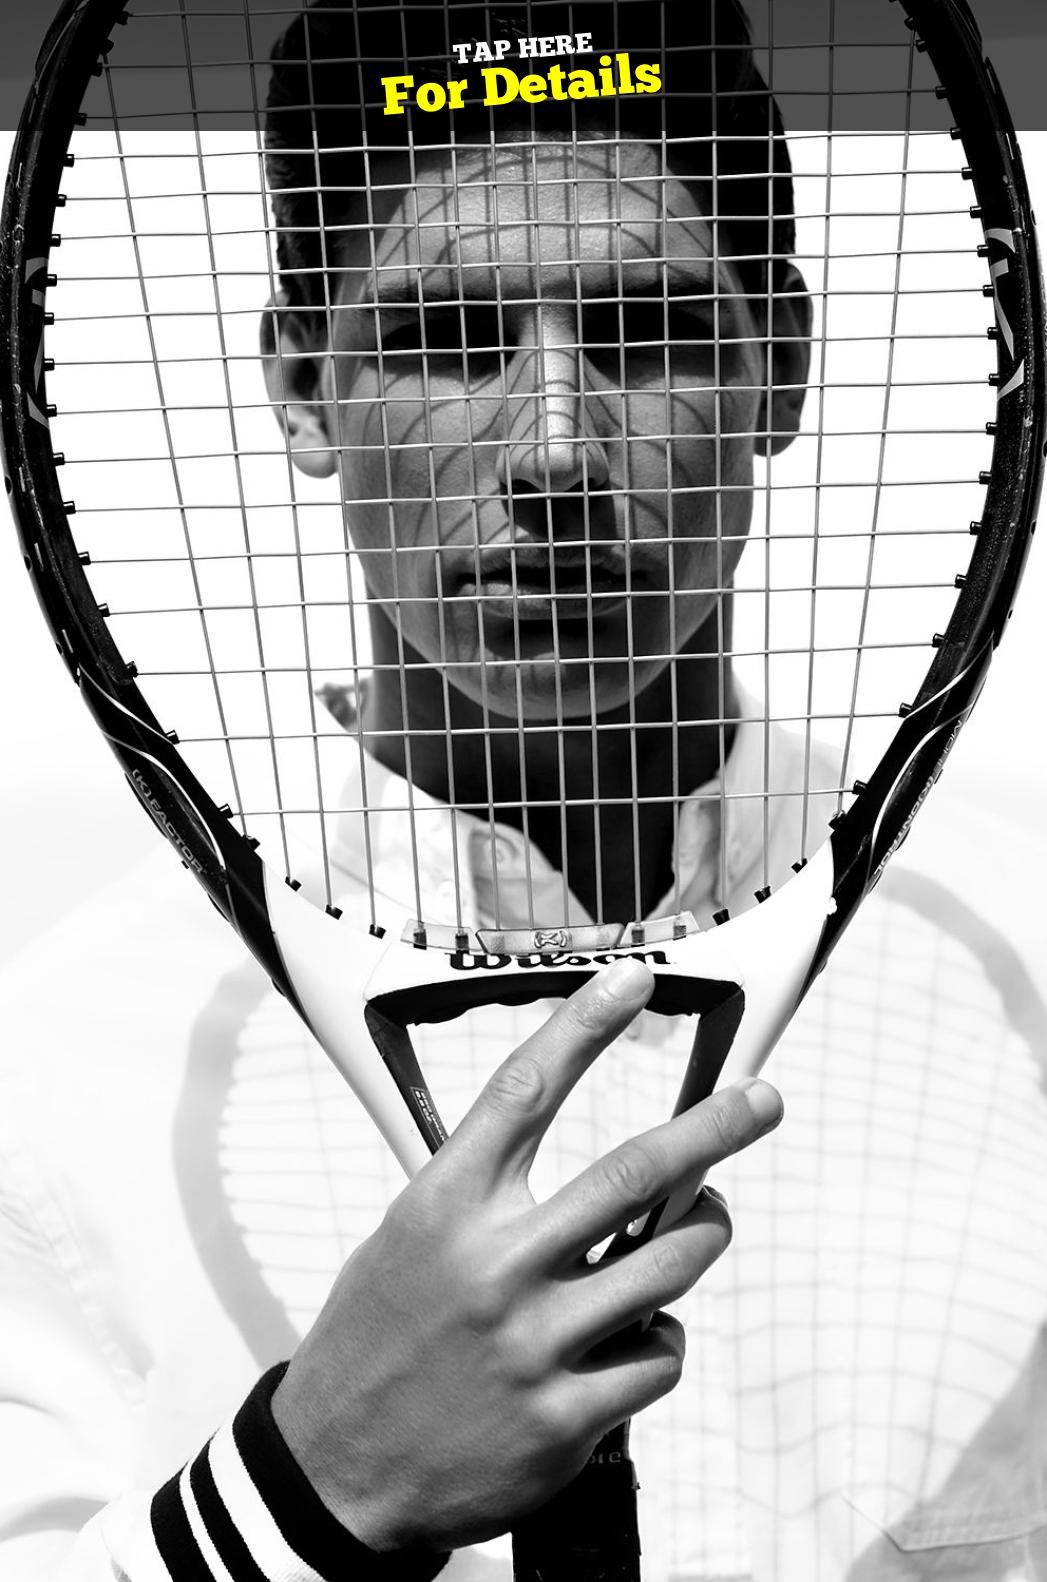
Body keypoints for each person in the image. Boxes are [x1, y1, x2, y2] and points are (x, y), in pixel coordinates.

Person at [3, 3, 1047, 1582]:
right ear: (302, 383)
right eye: (445, 338)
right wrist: (314, 1482)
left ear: (783, 364)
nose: (555, 447)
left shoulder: (1031, 957)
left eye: (646, 331)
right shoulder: (59, 1062)